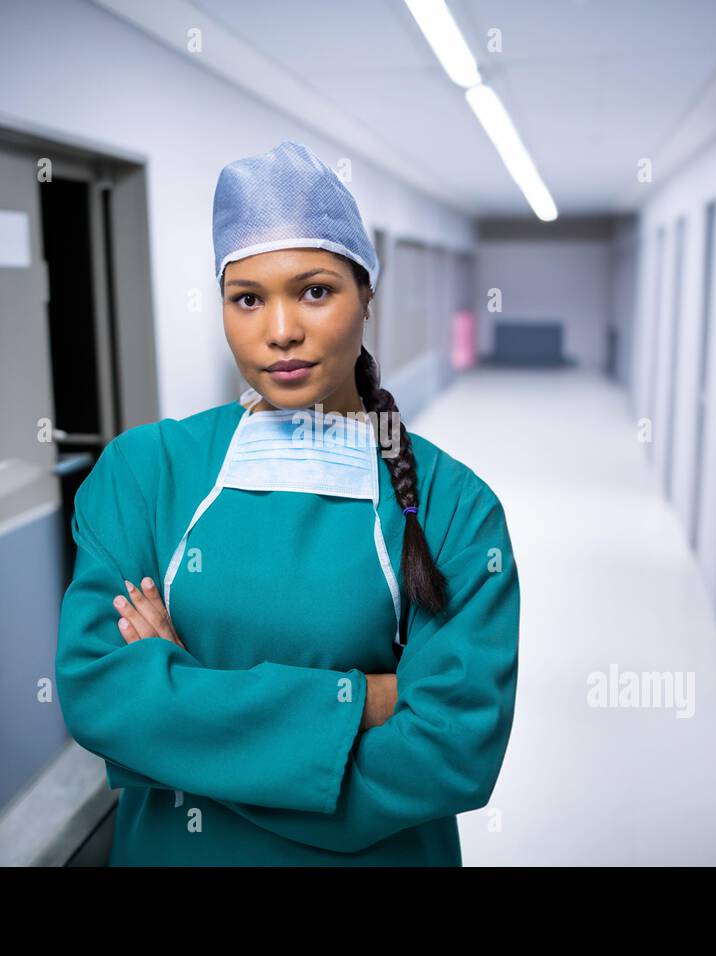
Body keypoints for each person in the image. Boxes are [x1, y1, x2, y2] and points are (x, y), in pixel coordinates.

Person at [54, 140, 520, 866]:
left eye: (314, 291)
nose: (280, 332)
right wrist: (367, 701)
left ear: (367, 295)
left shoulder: (455, 508)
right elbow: (99, 692)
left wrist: (185, 713)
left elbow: (453, 750)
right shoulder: (144, 473)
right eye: (247, 299)